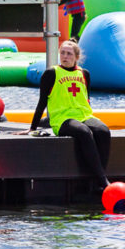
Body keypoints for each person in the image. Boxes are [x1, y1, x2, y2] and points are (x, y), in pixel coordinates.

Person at [30, 39, 111, 192]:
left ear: (76, 57)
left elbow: (86, 99)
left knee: (103, 131)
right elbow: (42, 102)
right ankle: (103, 181)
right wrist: (32, 127)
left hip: (84, 114)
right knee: (83, 132)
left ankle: (99, 176)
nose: (65, 56)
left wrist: (90, 118)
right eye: (62, 53)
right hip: (62, 118)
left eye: (69, 54)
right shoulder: (51, 73)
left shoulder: (84, 74)